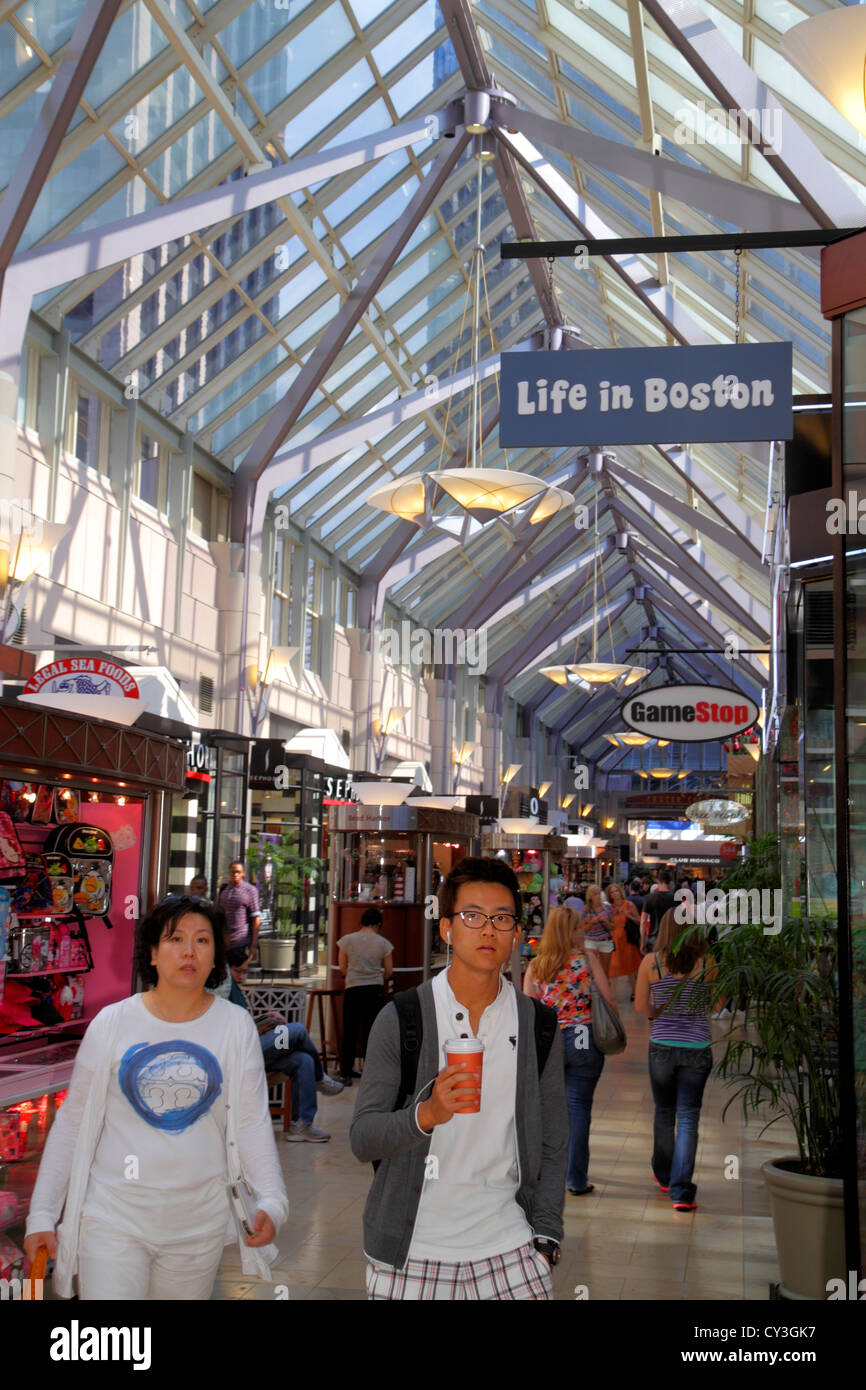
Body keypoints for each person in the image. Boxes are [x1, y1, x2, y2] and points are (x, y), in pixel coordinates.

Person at [22, 896, 288, 1299]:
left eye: (202, 941)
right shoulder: (113, 1023)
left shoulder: (234, 1026)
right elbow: (72, 1125)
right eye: (175, 939)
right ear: (152, 952)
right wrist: (41, 1213)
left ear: (216, 955)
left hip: (198, 1225)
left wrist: (273, 1199)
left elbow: (251, 1122)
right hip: (113, 1218)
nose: (188, 951)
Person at [350, 856, 568, 1300]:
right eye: (472, 916)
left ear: (516, 934)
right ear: (447, 929)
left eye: (502, 918)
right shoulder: (402, 1018)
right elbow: (363, 1138)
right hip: (411, 1255)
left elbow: (554, 1140)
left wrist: (545, 1240)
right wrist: (425, 1114)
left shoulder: (538, 1026)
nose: (488, 929)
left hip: (510, 1250)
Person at [524, 906, 617, 1196]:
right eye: (578, 927)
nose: (582, 932)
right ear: (572, 931)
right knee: (578, 1110)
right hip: (583, 1038)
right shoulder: (587, 961)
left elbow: (530, 1009)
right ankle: (576, 1179)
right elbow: (609, 998)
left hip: (550, 1041)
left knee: (548, 1111)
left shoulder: (537, 966)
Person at [633, 908, 717, 1212]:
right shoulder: (707, 962)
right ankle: (682, 1192)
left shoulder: (650, 963)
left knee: (664, 1113)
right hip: (697, 1046)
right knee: (689, 1117)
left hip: (662, 1047)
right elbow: (717, 1002)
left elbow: (643, 1006)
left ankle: (665, 1176)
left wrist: (662, 1013)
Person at [225, 948, 342, 1143]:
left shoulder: (234, 987)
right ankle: (320, 1078)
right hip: (243, 1052)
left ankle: (301, 1124)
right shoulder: (222, 986)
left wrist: (265, 1018)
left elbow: (242, 1020)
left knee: (303, 1060)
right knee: (297, 1030)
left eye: (245, 972)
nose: (242, 976)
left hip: (256, 1046)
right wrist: (260, 1022)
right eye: (238, 971)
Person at [338, 906, 394, 1085]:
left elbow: (341, 968)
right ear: (378, 924)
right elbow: (389, 971)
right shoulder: (383, 943)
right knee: (372, 1031)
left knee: (350, 1032)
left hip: (353, 989)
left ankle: (346, 1072)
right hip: (374, 991)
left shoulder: (346, 940)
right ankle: (371, 1072)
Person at [606, 882, 642, 1001]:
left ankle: (635, 992)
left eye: (616, 891)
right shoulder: (609, 908)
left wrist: (629, 916)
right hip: (614, 938)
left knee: (630, 966)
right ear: (609, 895)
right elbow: (608, 925)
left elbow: (639, 921)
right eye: (612, 892)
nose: (615, 894)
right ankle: (612, 995)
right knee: (613, 967)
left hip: (627, 938)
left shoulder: (629, 905)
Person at [218, 859, 261, 960]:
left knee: (238, 972)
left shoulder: (250, 890)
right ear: (229, 872)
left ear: (243, 873)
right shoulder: (224, 889)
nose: (235, 874)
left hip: (241, 941)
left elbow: (256, 919)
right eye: (233, 872)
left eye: (238, 872)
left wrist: (253, 945)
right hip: (224, 942)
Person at [581, 884, 615, 976]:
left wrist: (606, 922)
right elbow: (583, 929)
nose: (598, 896)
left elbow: (613, 926)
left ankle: (603, 988)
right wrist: (591, 922)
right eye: (596, 894)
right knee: (591, 969)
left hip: (605, 940)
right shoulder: (586, 909)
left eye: (599, 894)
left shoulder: (607, 908)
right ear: (590, 896)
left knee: (605, 971)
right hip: (591, 940)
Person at [641, 868, 677, 952]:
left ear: (658, 881)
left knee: (654, 963)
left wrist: (643, 941)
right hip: (672, 939)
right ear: (670, 882)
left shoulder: (649, 898)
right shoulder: (677, 898)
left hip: (654, 939)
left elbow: (643, 922)